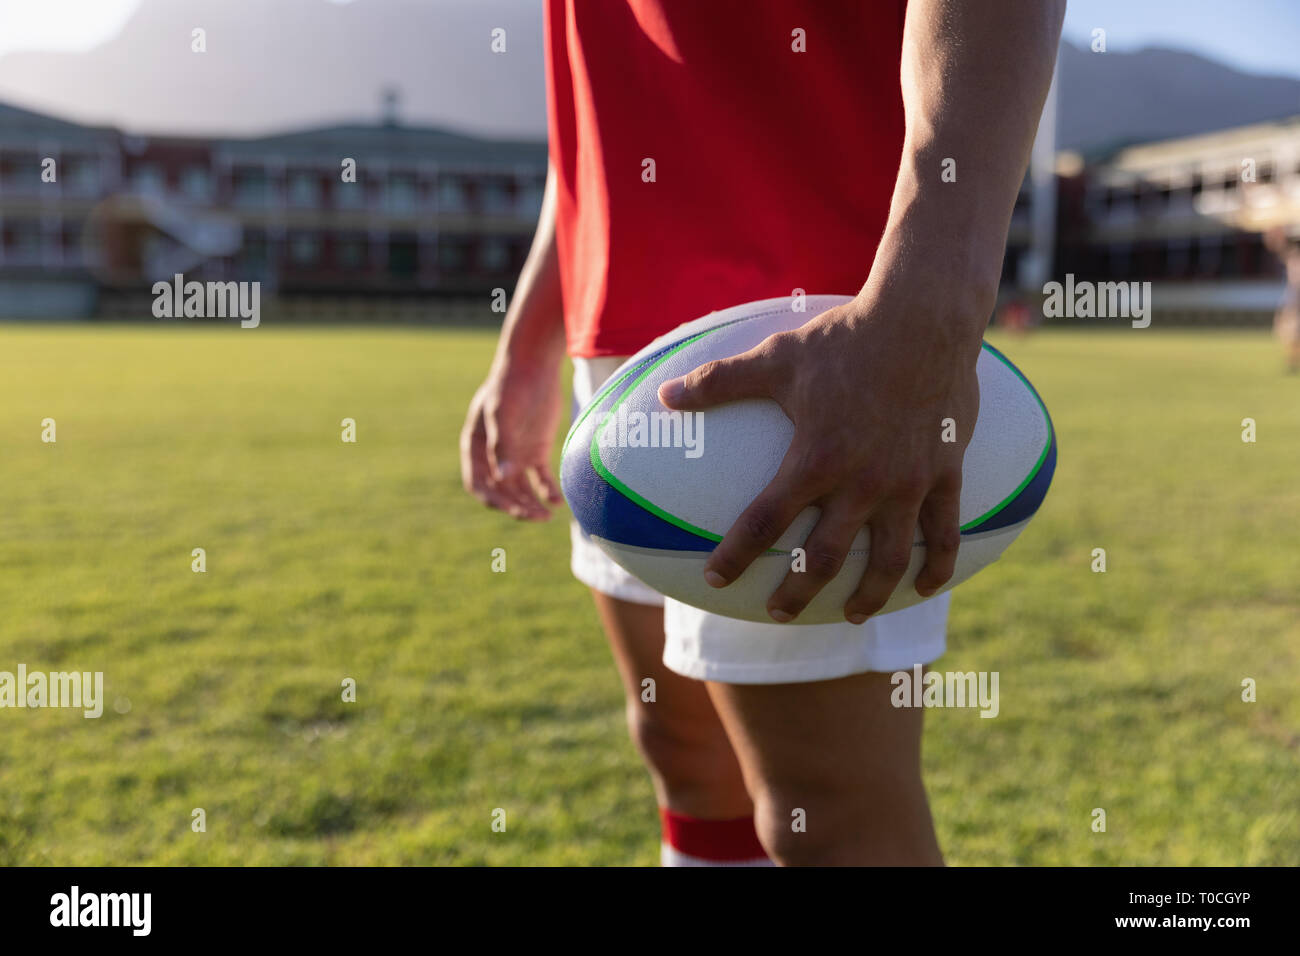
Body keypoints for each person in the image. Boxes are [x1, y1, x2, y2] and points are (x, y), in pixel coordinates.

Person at [462, 0, 1064, 866]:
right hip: (627, 336)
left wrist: (927, 302)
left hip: (815, 325)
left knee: (830, 814)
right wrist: (536, 328)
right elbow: (608, 72)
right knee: (684, 753)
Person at [1264, 227, 1300, 373]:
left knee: (1292, 330)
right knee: (1290, 331)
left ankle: (1292, 361)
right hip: (1294, 298)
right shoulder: (1293, 256)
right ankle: (1292, 360)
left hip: (1295, 300)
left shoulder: (1294, 258)